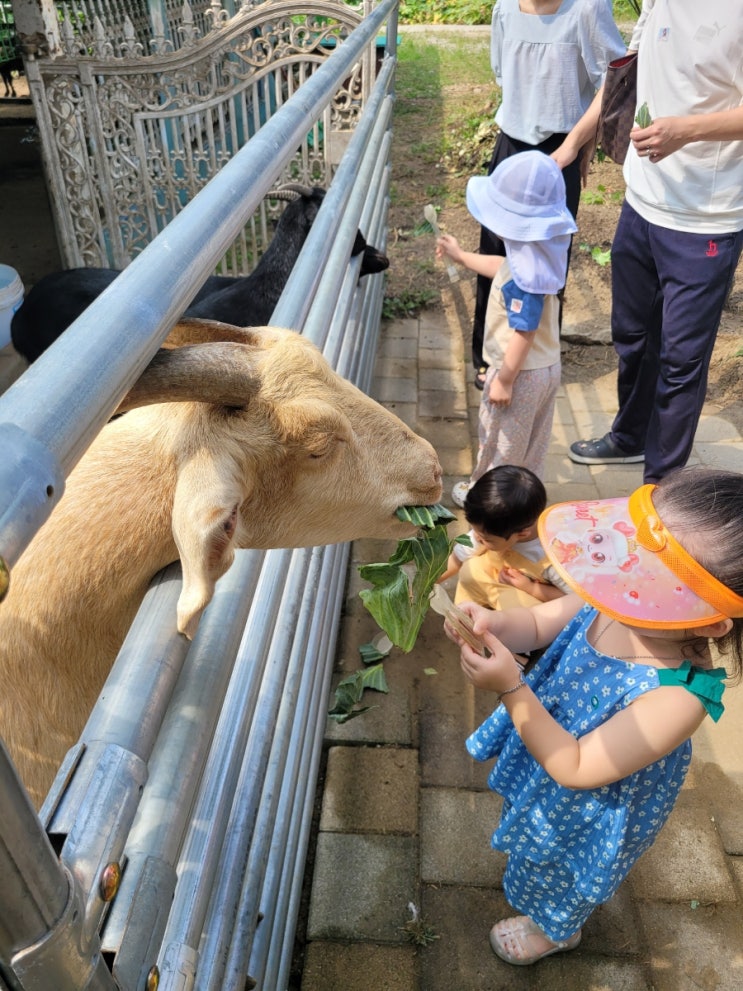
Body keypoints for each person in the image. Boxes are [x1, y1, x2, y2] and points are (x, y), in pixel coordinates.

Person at [445, 465, 743, 966]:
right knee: (535, 843)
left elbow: (577, 767)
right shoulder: (618, 594)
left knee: (566, 870)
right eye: (629, 558)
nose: (622, 579)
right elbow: (541, 622)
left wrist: (511, 688)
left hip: (590, 795)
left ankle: (556, 931)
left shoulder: (681, 697)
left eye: (645, 581)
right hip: (550, 739)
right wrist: (495, 623)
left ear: (712, 623)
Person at [566, 0, 743, 483]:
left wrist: (685, 131)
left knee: (680, 361)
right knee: (633, 337)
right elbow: (629, 69)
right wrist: (575, 141)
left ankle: (661, 487)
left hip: (706, 217)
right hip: (641, 201)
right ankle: (629, 437)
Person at [470, 0, 625, 389]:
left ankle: (537, 364)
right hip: (511, 144)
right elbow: (503, 74)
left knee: (546, 259)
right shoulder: (505, 7)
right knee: (494, 249)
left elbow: (616, 77)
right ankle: (488, 356)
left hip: (559, 150)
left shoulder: (588, 9)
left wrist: (577, 142)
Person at [437, 151, 577, 508]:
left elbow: (524, 331)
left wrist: (504, 379)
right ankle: (525, 505)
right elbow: (502, 267)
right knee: (533, 444)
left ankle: (490, 504)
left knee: (500, 442)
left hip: (522, 374)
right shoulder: (538, 253)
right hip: (546, 369)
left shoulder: (526, 279)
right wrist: (463, 257)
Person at [439, 465, 568, 610]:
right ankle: (465, 618)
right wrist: (425, 585)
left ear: (521, 534)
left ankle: (498, 628)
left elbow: (573, 599)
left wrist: (530, 588)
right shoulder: (496, 524)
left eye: (486, 539)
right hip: (501, 575)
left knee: (521, 614)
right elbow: (458, 557)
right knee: (470, 569)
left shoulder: (553, 559)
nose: (476, 538)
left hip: (533, 599)